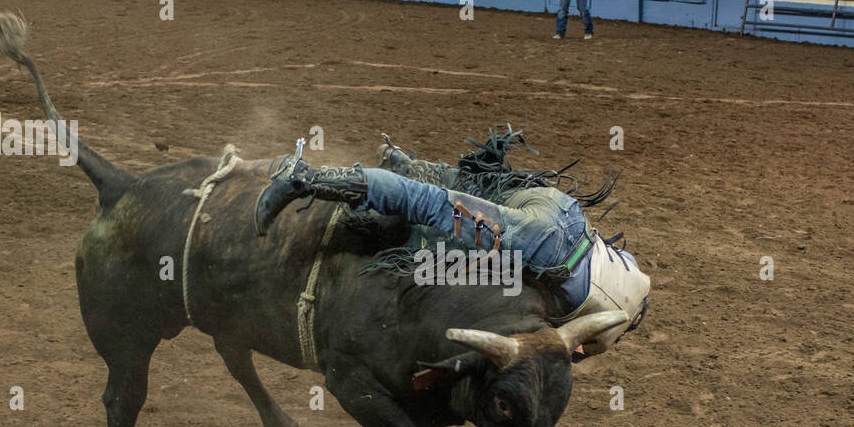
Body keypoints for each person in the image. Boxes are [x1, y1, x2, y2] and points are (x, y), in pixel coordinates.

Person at [254, 133, 651, 356]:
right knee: (435, 212)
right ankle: (303, 177)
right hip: (542, 251)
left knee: (476, 190)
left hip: (565, 213)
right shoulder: (598, 336)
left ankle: (409, 165)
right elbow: (553, 350)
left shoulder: (631, 273)